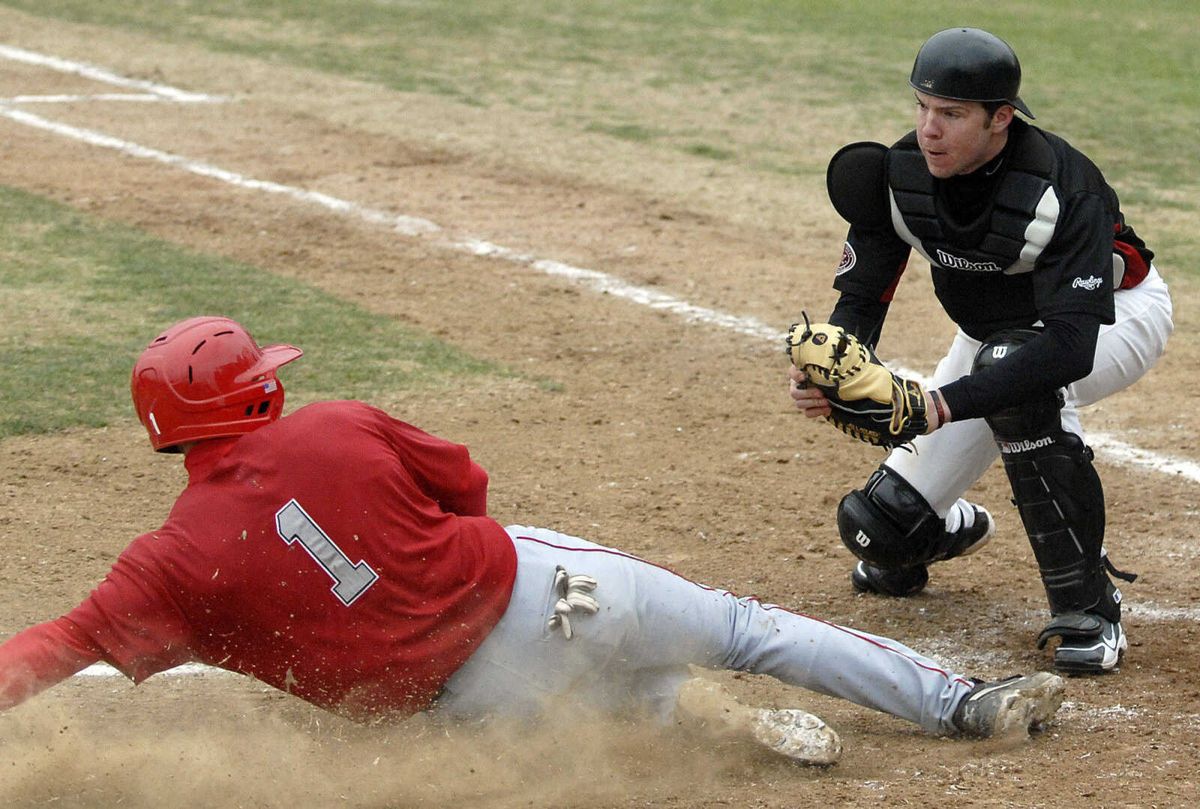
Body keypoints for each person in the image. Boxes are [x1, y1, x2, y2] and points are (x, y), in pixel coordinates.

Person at [0, 316, 1065, 765]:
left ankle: (716, 728)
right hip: (554, 591)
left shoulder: (167, 564)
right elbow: (468, 487)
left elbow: (54, 645)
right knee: (749, 628)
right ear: (256, 393)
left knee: (610, 714)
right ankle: (960, 703)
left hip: (473, 706)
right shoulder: (336, 423)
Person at [789, 28, 1173, 675]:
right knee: (881, 530)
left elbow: (1068, 349)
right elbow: (861, 299)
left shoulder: (1062, 187)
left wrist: (939, 404)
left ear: (1001, 118)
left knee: (1018, 384)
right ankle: (948, 524)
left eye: (952, 114)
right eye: (922, 107)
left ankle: (1089, 608)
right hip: (993, 338)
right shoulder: (901, 179)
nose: (929, 129)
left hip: (1114, 318)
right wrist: (830, 371)